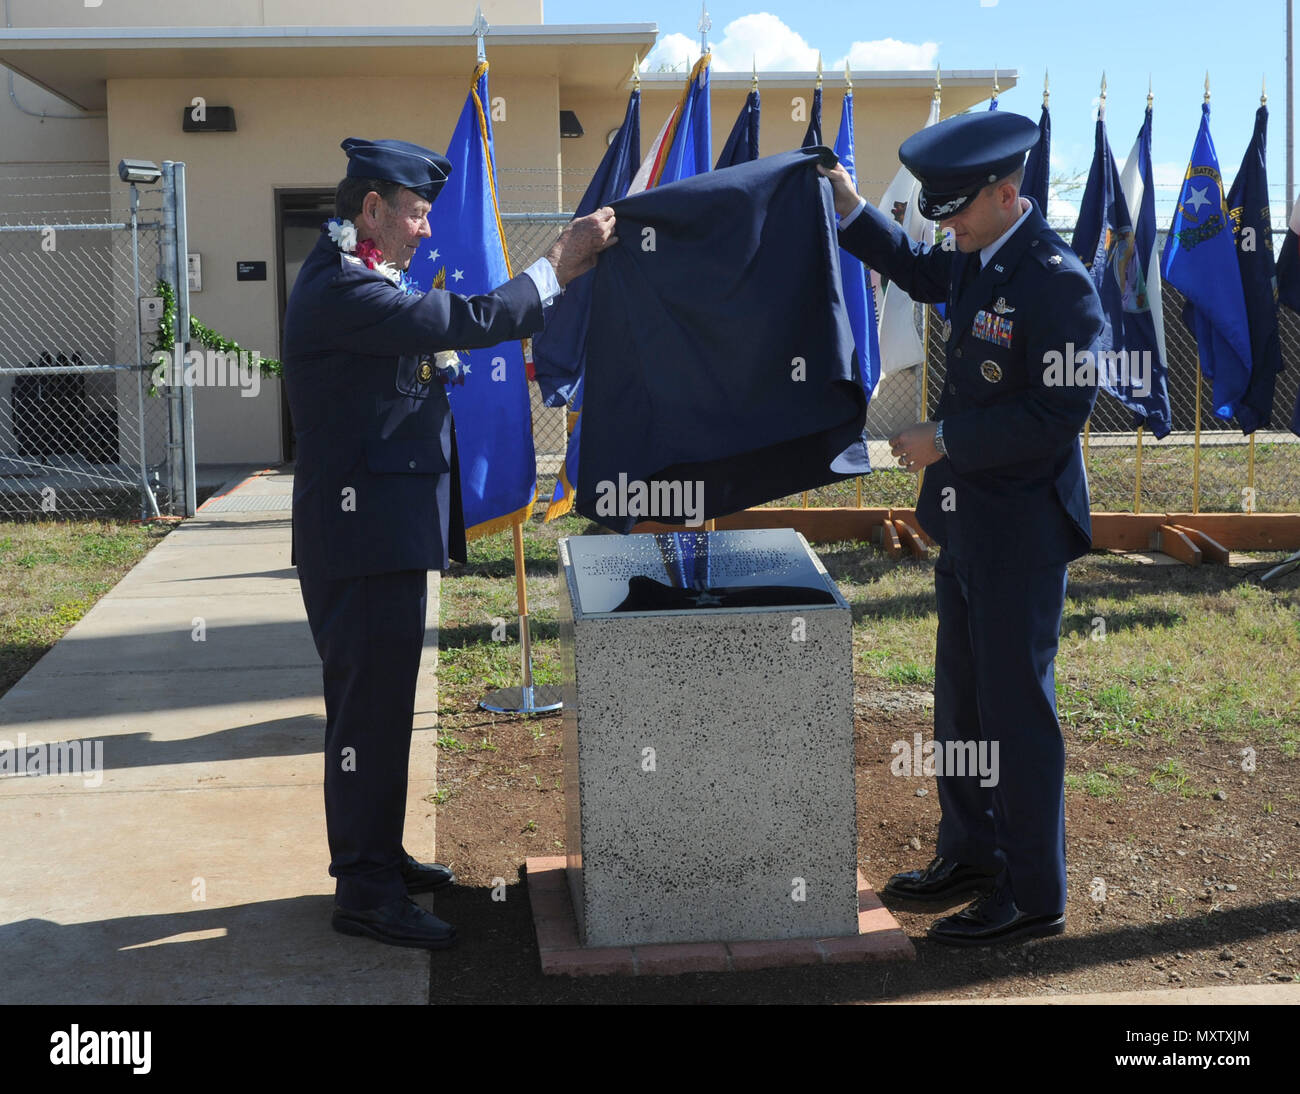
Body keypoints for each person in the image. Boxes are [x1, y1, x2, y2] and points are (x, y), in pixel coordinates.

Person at [282, 137, 615, 950]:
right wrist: (559, 265)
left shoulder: (359, 278)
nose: (427, 231)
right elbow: (469, 320)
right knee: (366, 717)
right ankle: (363, 889)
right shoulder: (339, 288)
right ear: (371, 210)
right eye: (417, 213)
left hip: (380, 537)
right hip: (359, 543)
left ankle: (379, 858)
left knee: (385, 710)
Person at [819, 111, 1104, 947]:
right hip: (968, 523)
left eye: (959, 212)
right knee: (965, 708)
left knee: (1016, 713)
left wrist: (943, 440)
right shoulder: (983, 256)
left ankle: (1031, 892)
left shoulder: (1058, 281)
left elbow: (1060, 410)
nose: (948, 227)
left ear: (1008, 193)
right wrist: (847, 203)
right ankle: (972, 855)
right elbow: (916, 269)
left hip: (1022, 532)